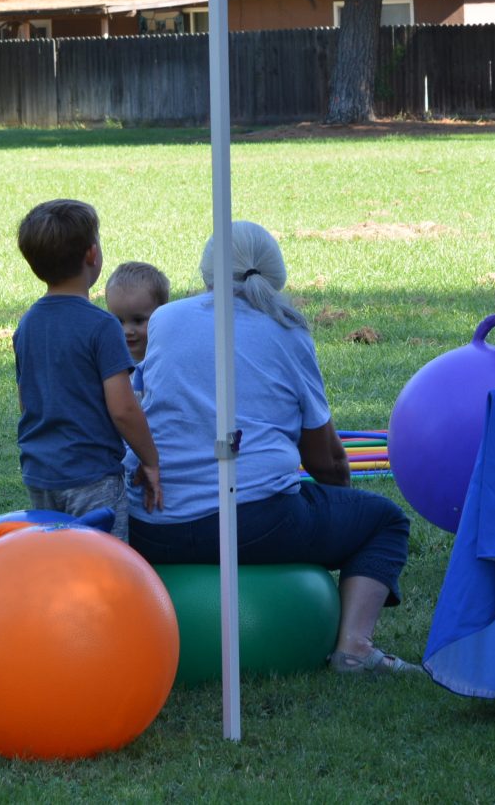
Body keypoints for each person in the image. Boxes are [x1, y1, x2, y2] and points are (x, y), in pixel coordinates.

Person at [128, 222, 417, 673]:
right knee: (385, 522)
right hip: (255, 520)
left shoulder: (165, 319)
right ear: (275, 274)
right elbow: (326, 458)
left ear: (207, 273)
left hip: (150, 523)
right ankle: (355, 648)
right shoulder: (289, 331)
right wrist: (339, 501)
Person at [11, 199, 163, 541]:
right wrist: (150, 460)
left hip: (39, 473)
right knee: (104, 565)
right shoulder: (102, 326)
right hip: (92, 477)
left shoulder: (28, 324)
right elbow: (123, 408)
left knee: (59, 562)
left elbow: (27, 399)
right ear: (92, 254)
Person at [105, 260, 171, 365]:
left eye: (138, 320)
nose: (126, 331)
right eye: (119, 321)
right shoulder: (110, 360)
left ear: (162, 314)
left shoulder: (168, 357)